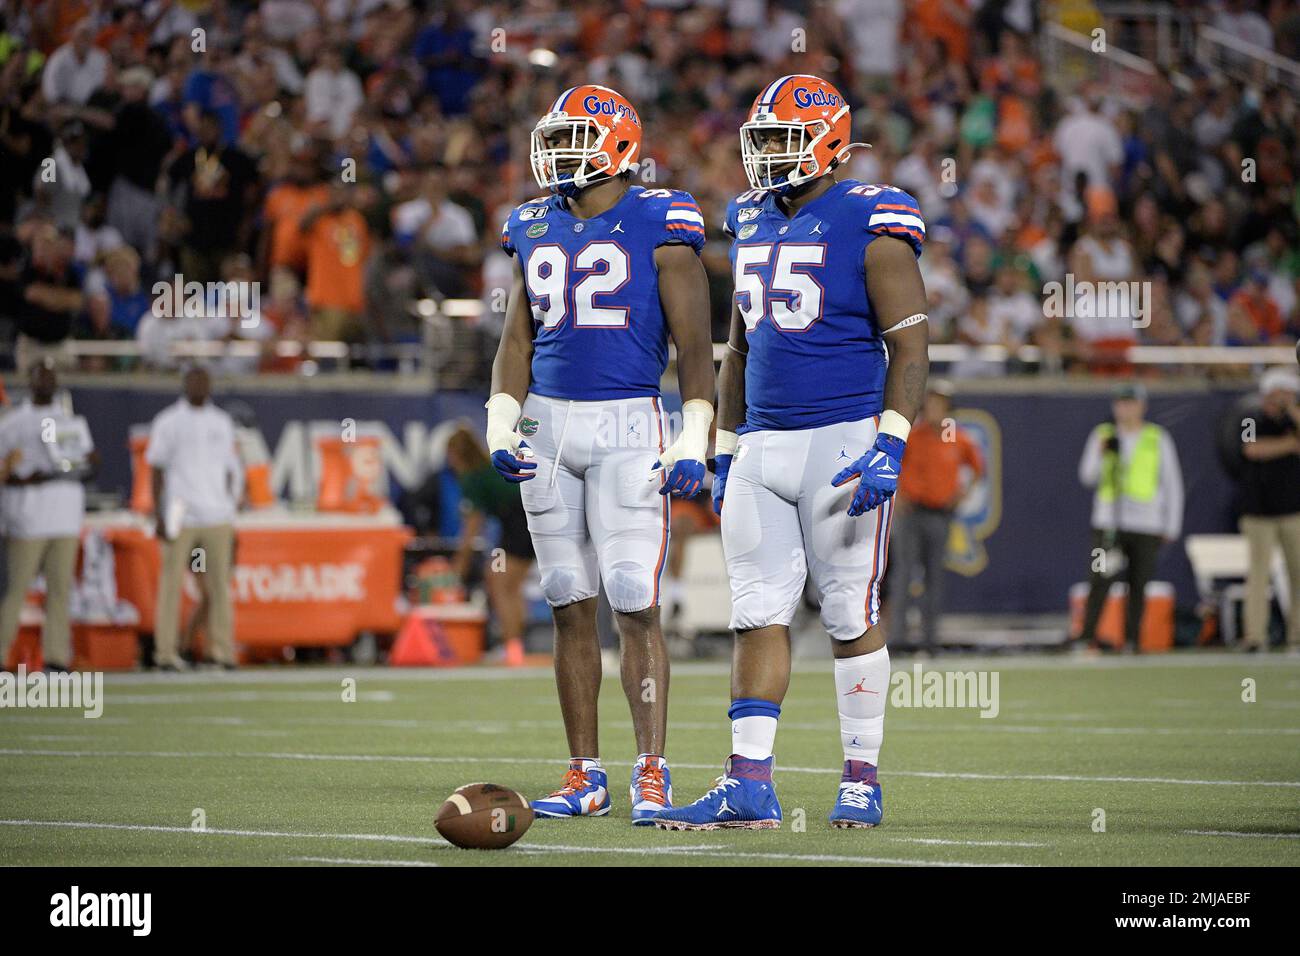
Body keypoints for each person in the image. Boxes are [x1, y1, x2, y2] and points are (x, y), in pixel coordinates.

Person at [656, 74, 930, 831]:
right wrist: (722, 445)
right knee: (756, 614)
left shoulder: (873, 217)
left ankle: (861, 779)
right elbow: (741, 344)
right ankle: (749, 784)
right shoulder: (748, 216)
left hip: (844, 440)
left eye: (785, 137)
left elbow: (910, 345)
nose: (770, 153)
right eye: (764, 138)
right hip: (764, 444)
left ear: (830, 141)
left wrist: (891, 443)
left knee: (849, 609)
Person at [487, 85, 716, 824]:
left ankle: (652, 767)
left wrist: (694, 431)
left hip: (628, 422)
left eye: (573, 138)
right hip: (547, 427)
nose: (556, 153)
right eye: (553, 139)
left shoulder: (659, 215)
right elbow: (516, 341)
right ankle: (585, 773)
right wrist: (499, 420)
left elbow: (692, 343)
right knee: (564, 597)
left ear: (618, 143)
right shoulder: (531, 223)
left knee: (631, 595)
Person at [146, 366, 243, 672]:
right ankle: (165, 653)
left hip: (217, 513)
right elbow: (156, 468)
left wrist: (230, 507)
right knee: (171, 584)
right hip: (179, 511)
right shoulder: (168, 421)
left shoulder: (222, 421)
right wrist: (160, 513)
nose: (199, 385)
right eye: (194, 380)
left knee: (219, 587)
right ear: (185, 384)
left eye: (204, 380)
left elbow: (231, 468)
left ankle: (221, 652)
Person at [0, 362, 95, 672]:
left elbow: (90, 466)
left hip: (65, 513)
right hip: (27, 517)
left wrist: (88, 461)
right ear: (30, 380)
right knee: (15, 589)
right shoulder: (13, 423)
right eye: (41, 375)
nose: (47, 381)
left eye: (52, 376)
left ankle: (56, 657)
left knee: (60, 590)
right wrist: (26, 479)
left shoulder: (70, 421)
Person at [1075, 382, 1184, 652]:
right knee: (1100, 578)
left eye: (1130, 403)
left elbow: (1172, 484)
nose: (1125, 408)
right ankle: (1087, 637)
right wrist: (1103, 454)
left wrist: (1171, 525)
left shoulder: (1157, 438)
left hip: (1146, 524)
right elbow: (1087, 476)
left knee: (1138, 583)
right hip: (1108, 524)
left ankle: (1132, 640)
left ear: (1142, 406)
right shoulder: (1102, 435)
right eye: (1120, 403)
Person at [889, 380, 984, 653]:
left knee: (934, 577)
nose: (935, 409)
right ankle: (899, 639)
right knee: (904, 575)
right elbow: (891, 464)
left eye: (940, 404)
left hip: (940, 514)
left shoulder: (952, 436)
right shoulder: (912, 434)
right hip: (911, 513)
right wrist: (900, 495)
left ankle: (930, 640)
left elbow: (978, 467)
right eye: (931, 403)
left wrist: (961, 494)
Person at [445, 425, 532, 667]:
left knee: (500, 583)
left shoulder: (472, 477)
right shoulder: (487, 469)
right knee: (510, 586)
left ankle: (512, 648)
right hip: (525, 517)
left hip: (518, 520)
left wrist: (460, 562)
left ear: (457, 454)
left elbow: (472, 526)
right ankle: (515, 647)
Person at [1236, 367, 1300, 651]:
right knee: (1258, 575)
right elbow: (1252, 449)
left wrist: (1293, 412)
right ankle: (1255, 636)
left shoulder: (1294, 421)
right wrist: (1289, 444)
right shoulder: (1252, 418)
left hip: (1293, 511)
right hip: (1258, 512)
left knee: (1298, 573)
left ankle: (1297, 634)